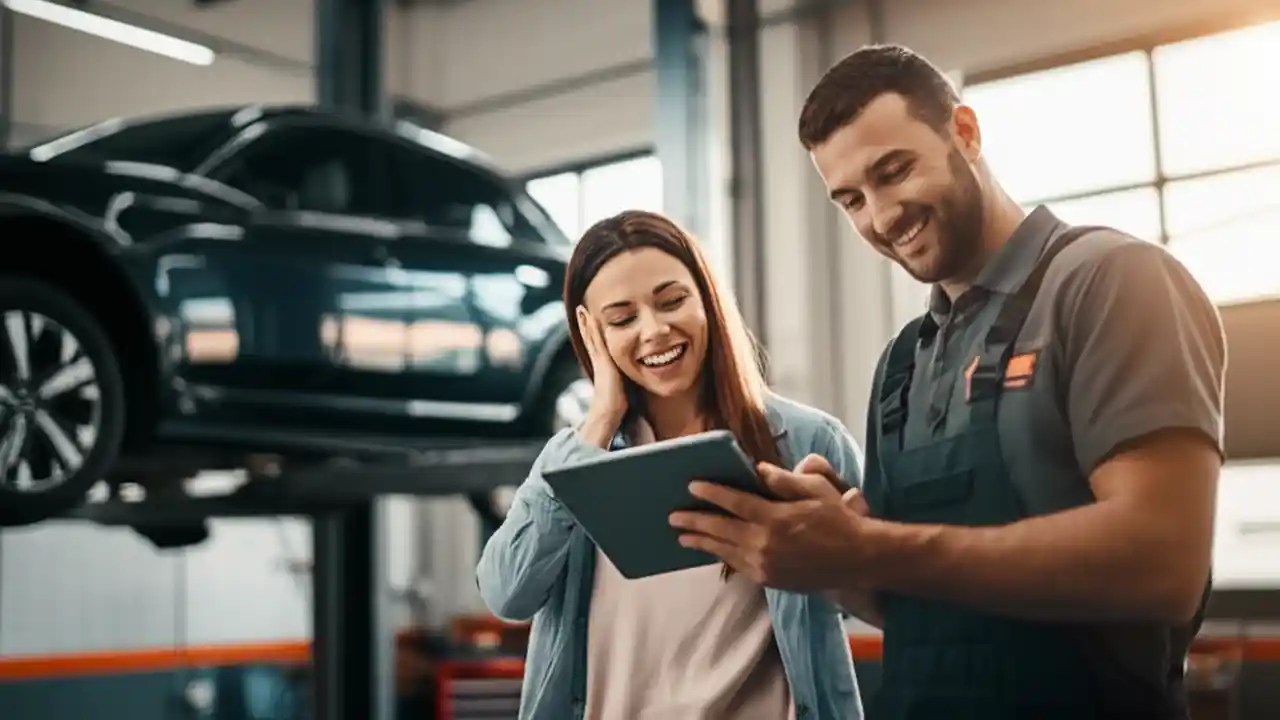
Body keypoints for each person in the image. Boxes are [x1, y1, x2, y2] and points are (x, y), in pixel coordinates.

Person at [669, 44, 1226, 719]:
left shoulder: (1111, 282)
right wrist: (828, 554)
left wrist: (871, 547)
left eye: (894, 171)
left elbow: (1162, 565)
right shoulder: (904, 361)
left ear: (965, 131)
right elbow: (912, 606)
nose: (881, 217)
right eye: (851, 200)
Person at [475, 210, 864, 720]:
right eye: (622, 319)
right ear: (591, 333)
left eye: (672, 301)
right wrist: (600, 420)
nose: (654, 330)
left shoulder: (809, 442)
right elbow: (507, 594)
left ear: (707, 299)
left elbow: (867, 597)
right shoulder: (575, 459)